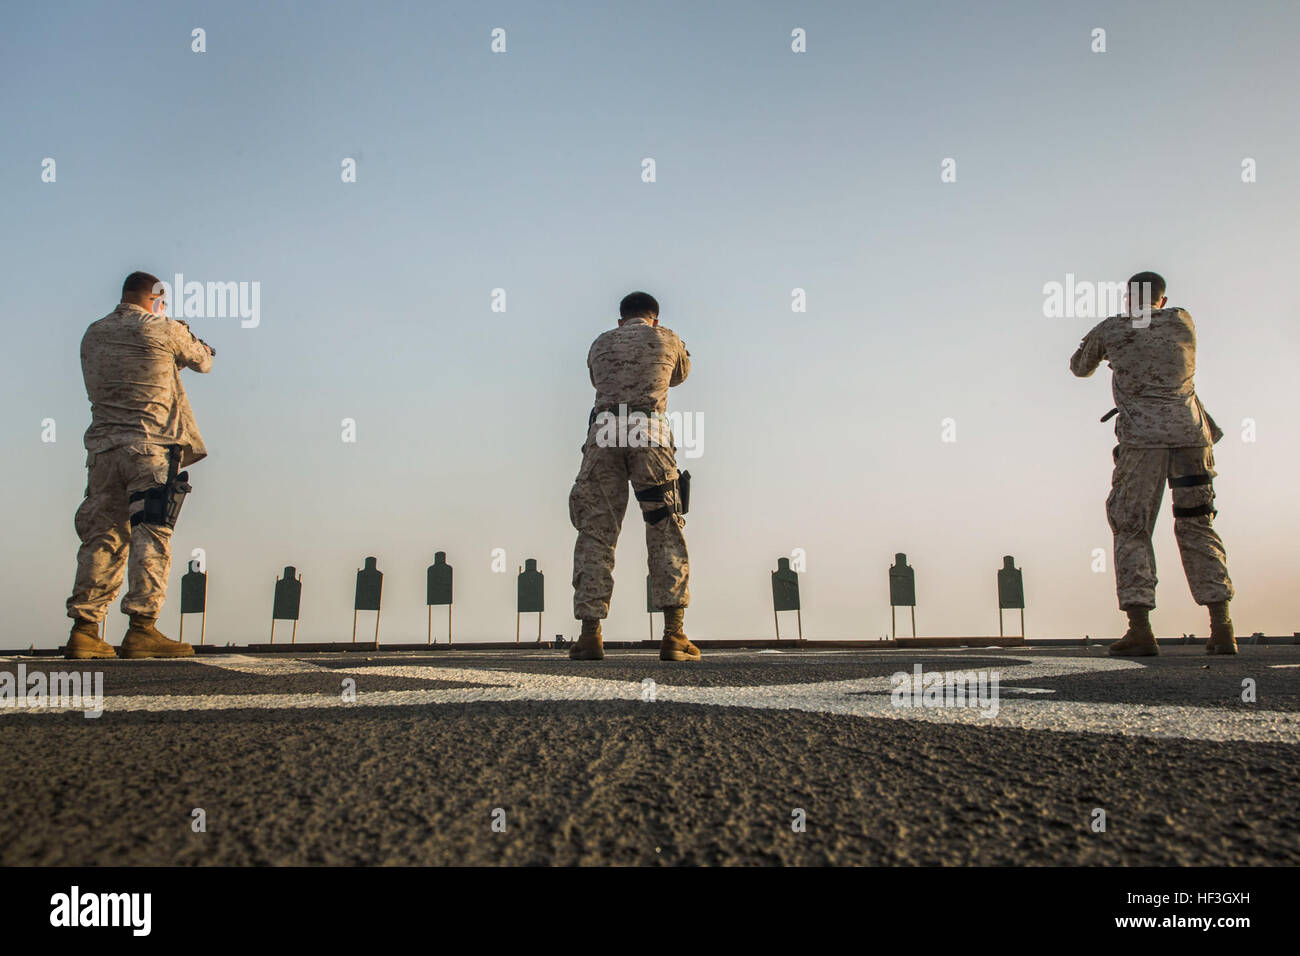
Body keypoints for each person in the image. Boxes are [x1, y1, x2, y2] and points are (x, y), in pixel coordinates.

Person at [1070, 271, 1235, 656]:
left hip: (1143, 442)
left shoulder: (1114, 329)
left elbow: (1079, 367)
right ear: (1162, 298)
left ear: (1128, 299)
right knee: (1197, 525)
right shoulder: (1182, 321)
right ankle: (1221, 626)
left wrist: (1105, 347)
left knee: (1131, 526)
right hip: (1192, 438)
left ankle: (1140, 628)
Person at [63, 271, 214, 660]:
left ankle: (85, 630)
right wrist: (183, 330)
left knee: (102, 537)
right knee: (150, 533)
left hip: (103, 453)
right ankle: (142, 629)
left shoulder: (93, 334)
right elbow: (203, 361)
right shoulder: (162, 329)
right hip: (150, 450)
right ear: (157, 299)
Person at [568, 291, 698, 661]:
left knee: (596, 530)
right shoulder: (667, 338)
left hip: (604, 433)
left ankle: (590, 635)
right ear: (653, 318)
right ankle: (674, 635)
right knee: (664, 527)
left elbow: (596, 377)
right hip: (649, 433)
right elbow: (681, 375)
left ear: (621, 320)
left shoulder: (600, 343)